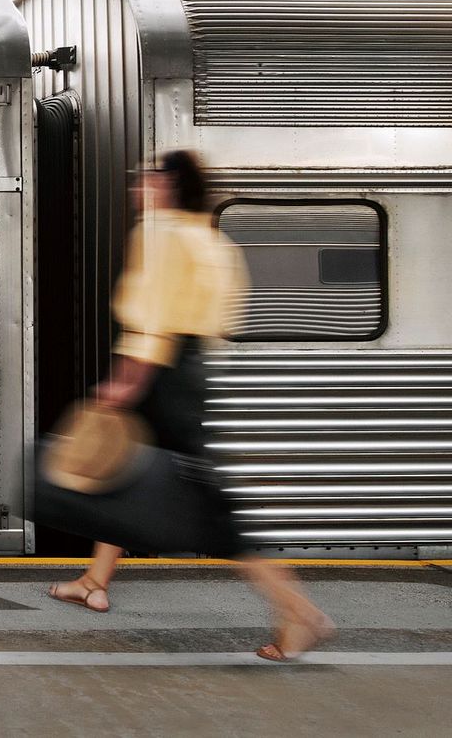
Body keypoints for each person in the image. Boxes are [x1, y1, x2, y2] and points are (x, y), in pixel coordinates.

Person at [46, 150, 334, 662]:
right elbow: (228, 314)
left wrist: (125, 383)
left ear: (168, 185)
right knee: (120, 476)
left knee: (208, 507)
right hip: (190, 371)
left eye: (151, 176)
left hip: (160, 373)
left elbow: (151, 317)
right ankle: (94, 580)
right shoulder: (211, 238)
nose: (141, 184)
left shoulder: (161, 234)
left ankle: (299, 612)